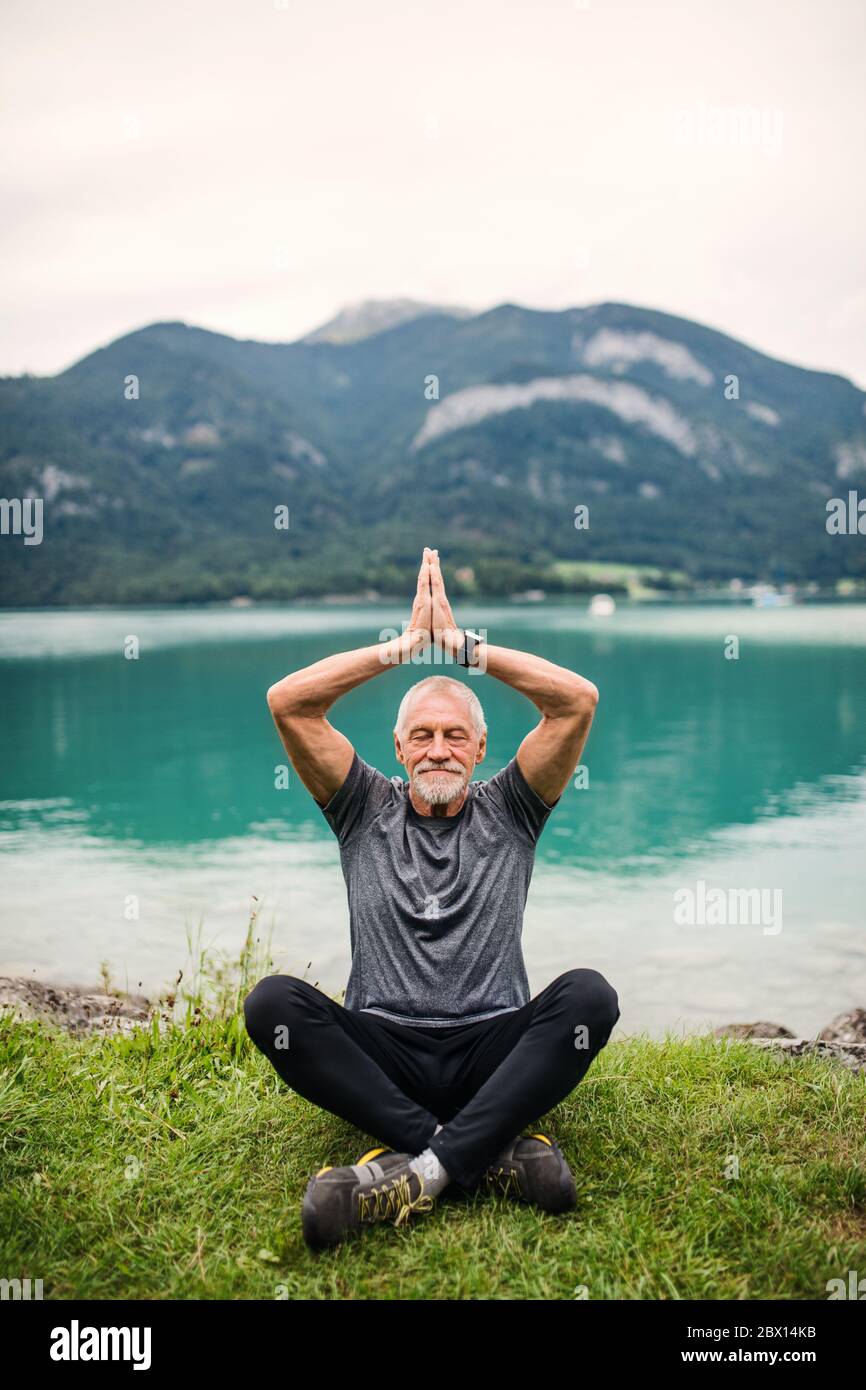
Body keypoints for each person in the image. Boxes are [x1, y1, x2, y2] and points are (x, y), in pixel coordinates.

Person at [243, 547, 620, 1249]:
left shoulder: (513, 808)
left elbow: (576, 701)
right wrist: (401, 650)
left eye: (455, 737)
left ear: (481, 750)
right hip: (385, 1049)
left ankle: (420, 1168)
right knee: (271, 1004)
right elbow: (288, 701)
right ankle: (484, 1156)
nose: (439, 749)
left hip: (493, 1048)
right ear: (398, 747)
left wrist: (464, 649)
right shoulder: (361, 808)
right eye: (423, 735)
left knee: (590, 998)